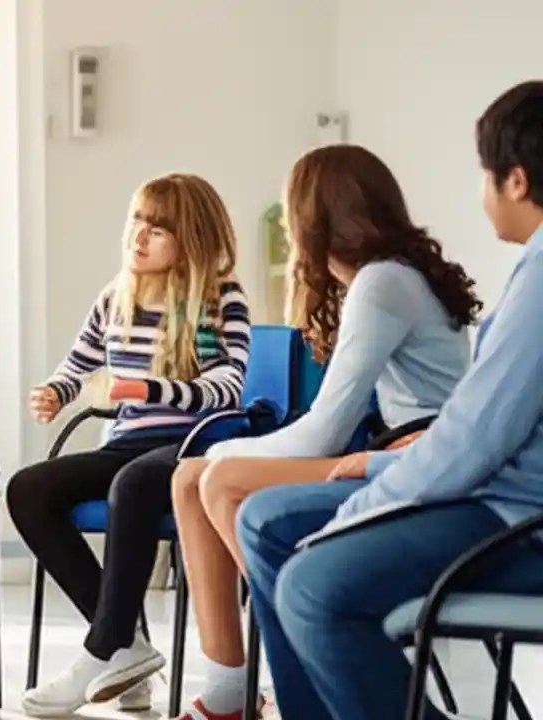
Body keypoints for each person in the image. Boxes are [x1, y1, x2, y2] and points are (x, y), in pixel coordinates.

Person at [236, 80, 543, 720]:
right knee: (264, 521)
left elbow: (480, 437)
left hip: (515, 518)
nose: (481, 193)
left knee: (315, 585)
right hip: (493, 494)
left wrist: (366, 501)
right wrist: (378, 473)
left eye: (484, 175)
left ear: (515, 180)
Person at [166, 144, 479, 720]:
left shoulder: (383, 282)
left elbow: (324, 434)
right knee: (191, 480)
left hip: (415, 459)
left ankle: (310, 656)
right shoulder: (394, 275)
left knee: (218, 479)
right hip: (404, 448)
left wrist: (218, 448)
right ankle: (230, 690)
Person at [9, 173, 251, 718]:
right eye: (136, 221)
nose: (139, 237)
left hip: (192, 443)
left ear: (190, 239)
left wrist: (147, 389)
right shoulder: (115, 297)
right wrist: (55, 391)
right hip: (128, 443)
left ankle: (101, 650)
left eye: (158, 229)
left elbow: (228, 387)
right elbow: (79, 365)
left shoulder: (218, 300)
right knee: (29, 490)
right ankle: (129, 648)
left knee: (136, 482)